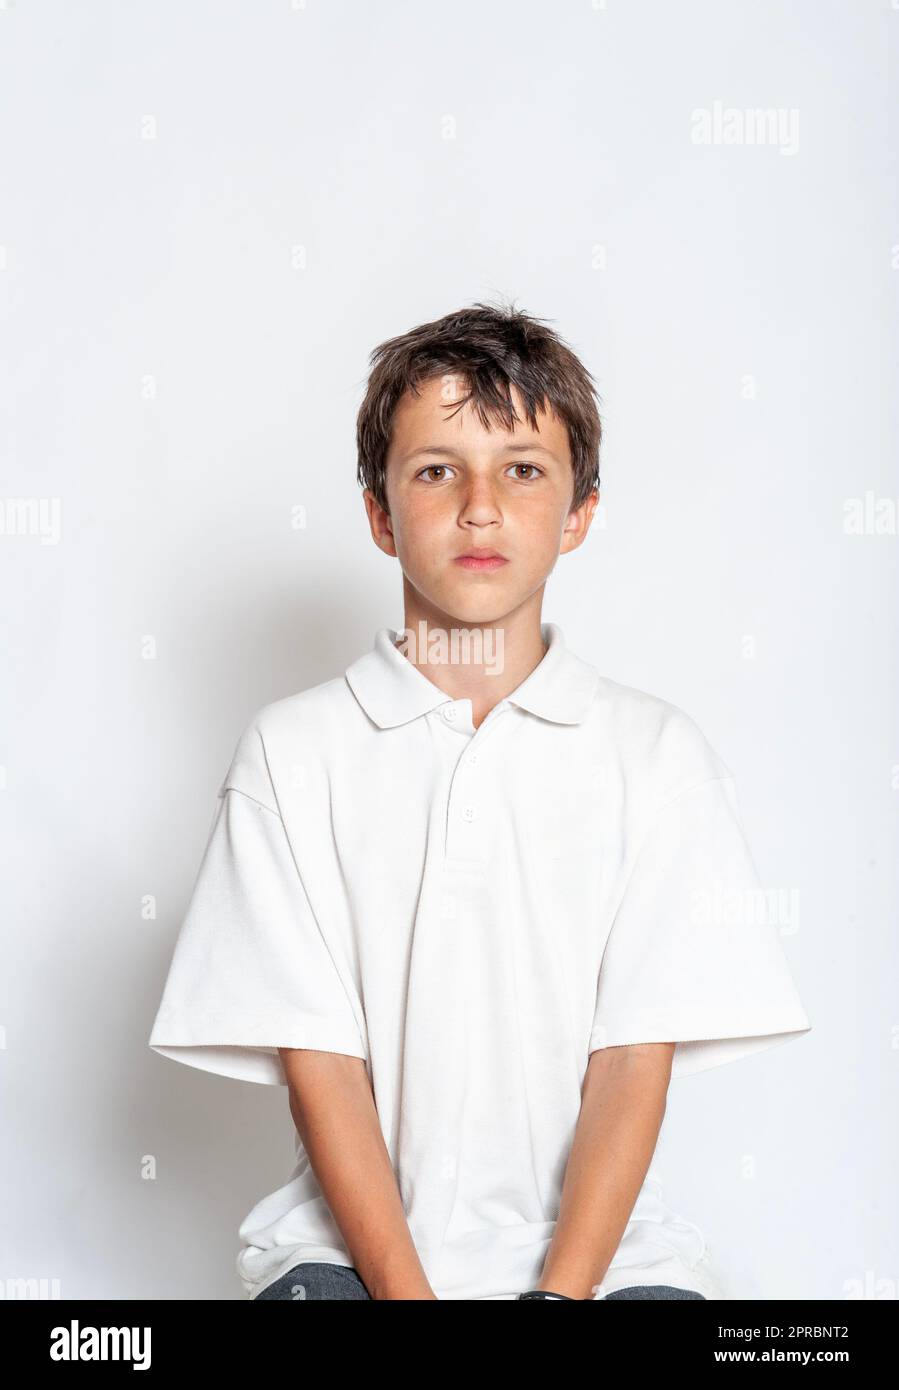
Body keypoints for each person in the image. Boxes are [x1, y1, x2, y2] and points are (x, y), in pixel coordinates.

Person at [148, 300, 812, 1301]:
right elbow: (320, 1064)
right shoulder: (293, 754)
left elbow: (633, 1060)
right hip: (349, 1259)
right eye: (435, 470)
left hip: (606, 1264)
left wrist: (558, 1295)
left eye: (521, 469)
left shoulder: (652, 755)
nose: (478, 506)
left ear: (578, 512)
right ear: (379, 513)